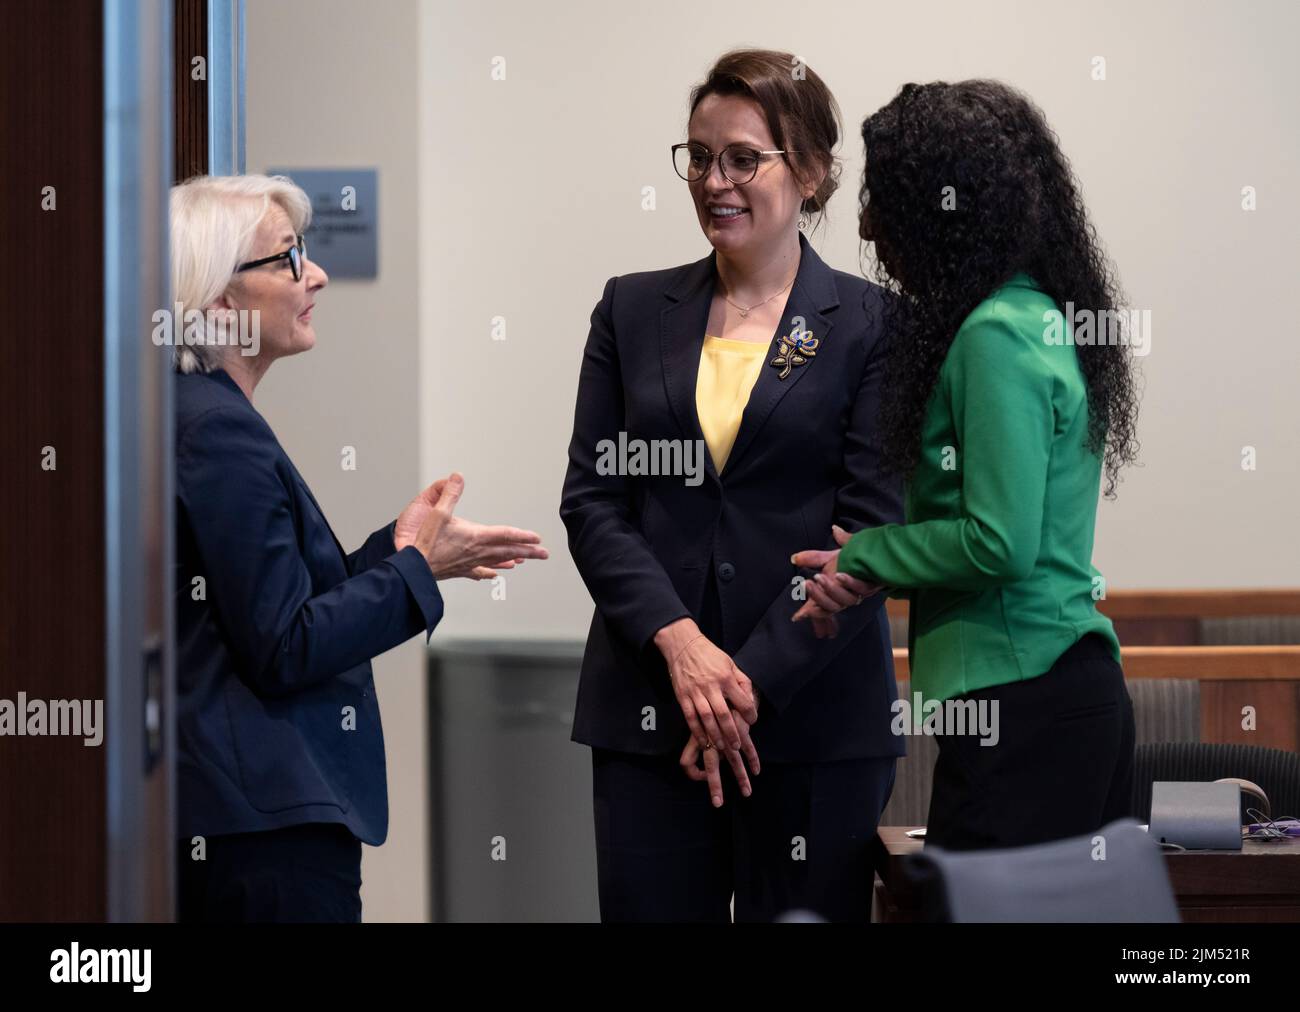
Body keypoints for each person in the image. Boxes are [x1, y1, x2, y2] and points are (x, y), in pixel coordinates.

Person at [559, 50, 903, 922]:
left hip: (815, 720)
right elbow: (594, 502)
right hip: (650, 712)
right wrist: (680, 647)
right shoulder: (632, 310)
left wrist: (739, 687)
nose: (716, 180)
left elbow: (869, 532)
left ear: (813, 171)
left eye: (744, 158)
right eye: (699, 156)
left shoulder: (873, 326)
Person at [170, 174, 548, 921]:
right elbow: (284, 647)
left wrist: (398, 551)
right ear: (218, 301)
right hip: (263, 829)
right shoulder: (217, 430)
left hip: (249, 819)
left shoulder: (206, 415)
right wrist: (416, 571)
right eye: (285, 259)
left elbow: (279, 608)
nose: (315, 273)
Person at [793, 80, 1140, 851]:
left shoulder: (994, 337)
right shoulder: (1037, 314)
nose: (871, 228)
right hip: (1054, 694)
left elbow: (997, 541)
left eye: (885, 199)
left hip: (1026, 704)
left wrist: (870, 552)